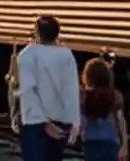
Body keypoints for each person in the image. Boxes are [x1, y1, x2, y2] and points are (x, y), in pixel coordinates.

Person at [16, 15, 81, 161]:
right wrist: (75, 122)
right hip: (61, 123)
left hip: (35, 123)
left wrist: (44, 122)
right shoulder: (67, 55)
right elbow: (71, 90)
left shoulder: (28, 54)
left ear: (36, 32)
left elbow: (29, 92)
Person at [79, 58, 129, 161]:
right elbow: (121, 120)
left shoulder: (83, 96)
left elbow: (80, 119)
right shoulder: (115, 95)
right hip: (110, 141)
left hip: (90, 142)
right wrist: (125, 145)